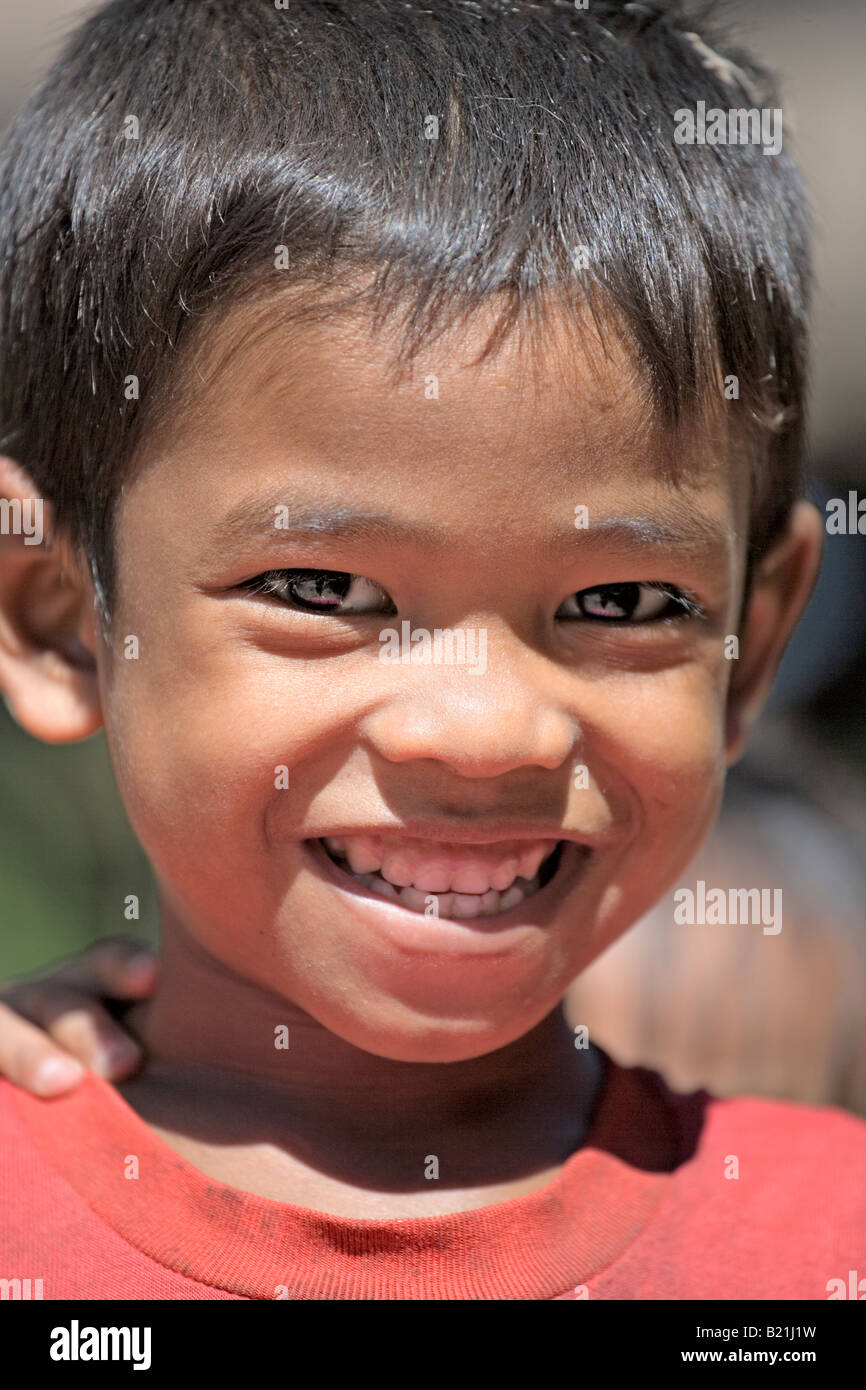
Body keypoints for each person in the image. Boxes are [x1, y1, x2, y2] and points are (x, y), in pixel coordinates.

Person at [0, 0, 862, 1301]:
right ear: (59, 614)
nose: (485, 730)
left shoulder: (819, 1248)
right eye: (322, 585)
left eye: (622, 602)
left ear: (749, 649)